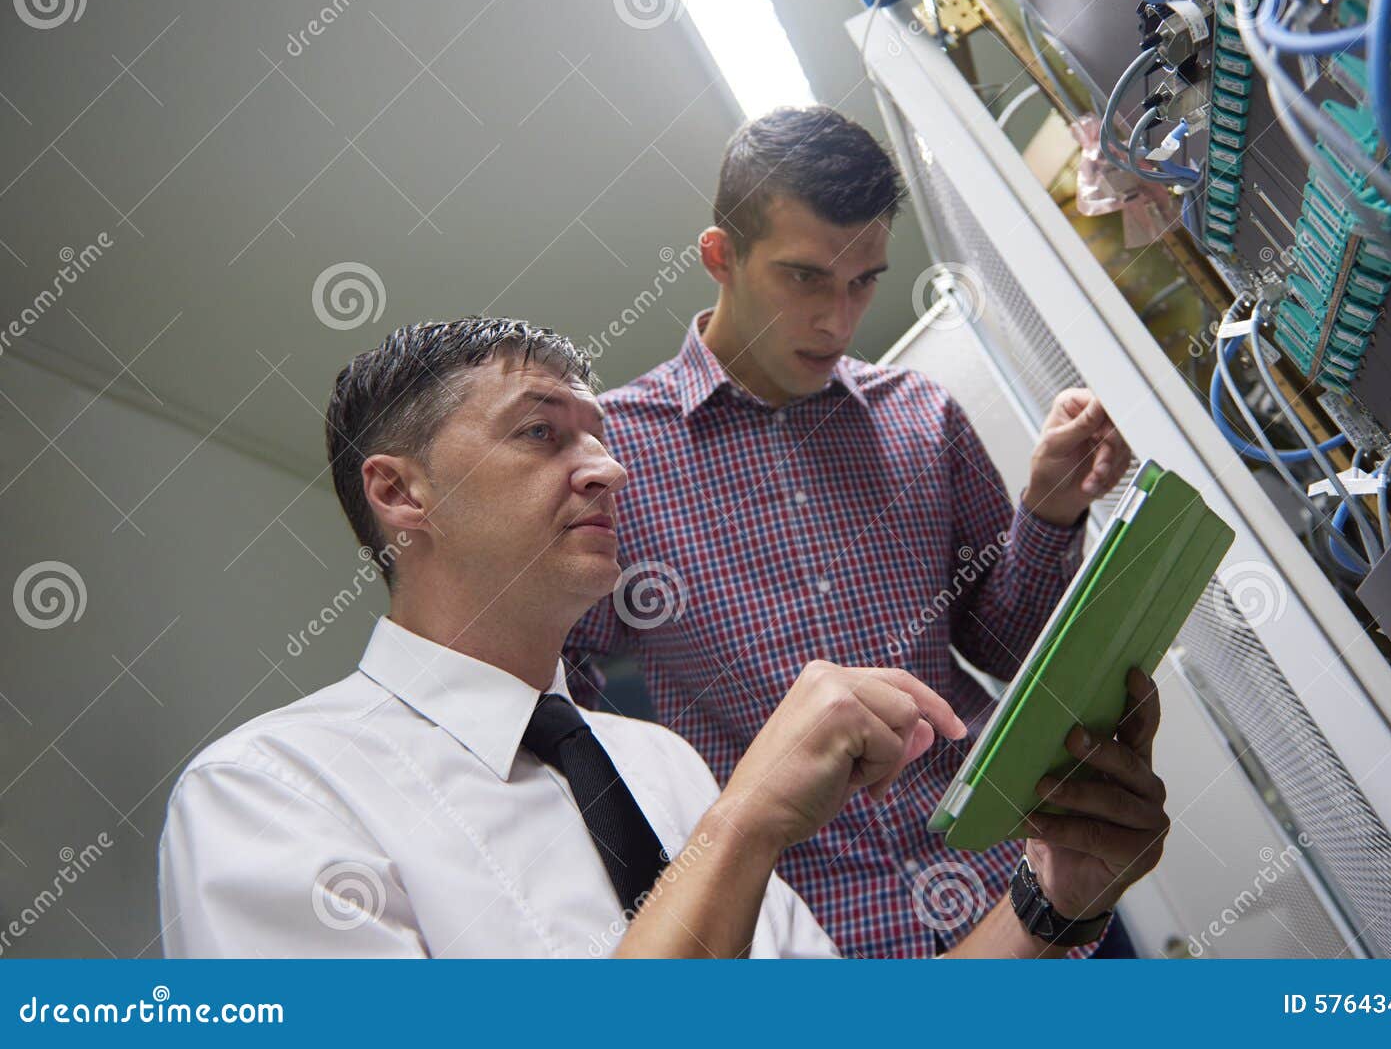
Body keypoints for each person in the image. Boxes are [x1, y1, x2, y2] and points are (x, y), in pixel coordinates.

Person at [157, 318, 1170, 957]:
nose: (606, 468)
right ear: (399, 492)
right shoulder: (271, 794)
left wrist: (1055, 898)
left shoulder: (660, 767)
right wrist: (741, 831)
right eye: (541, 431)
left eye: (600, 436)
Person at [564, 106, 1138, 957]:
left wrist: (1050, 508)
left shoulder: (922, 418)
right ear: (720, 257)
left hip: (1026, 886)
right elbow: (561, 703)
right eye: (804, 278)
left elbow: (1011, 648)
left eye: (863, 280)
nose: (839, 320)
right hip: (821, 937)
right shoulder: (613, 458)